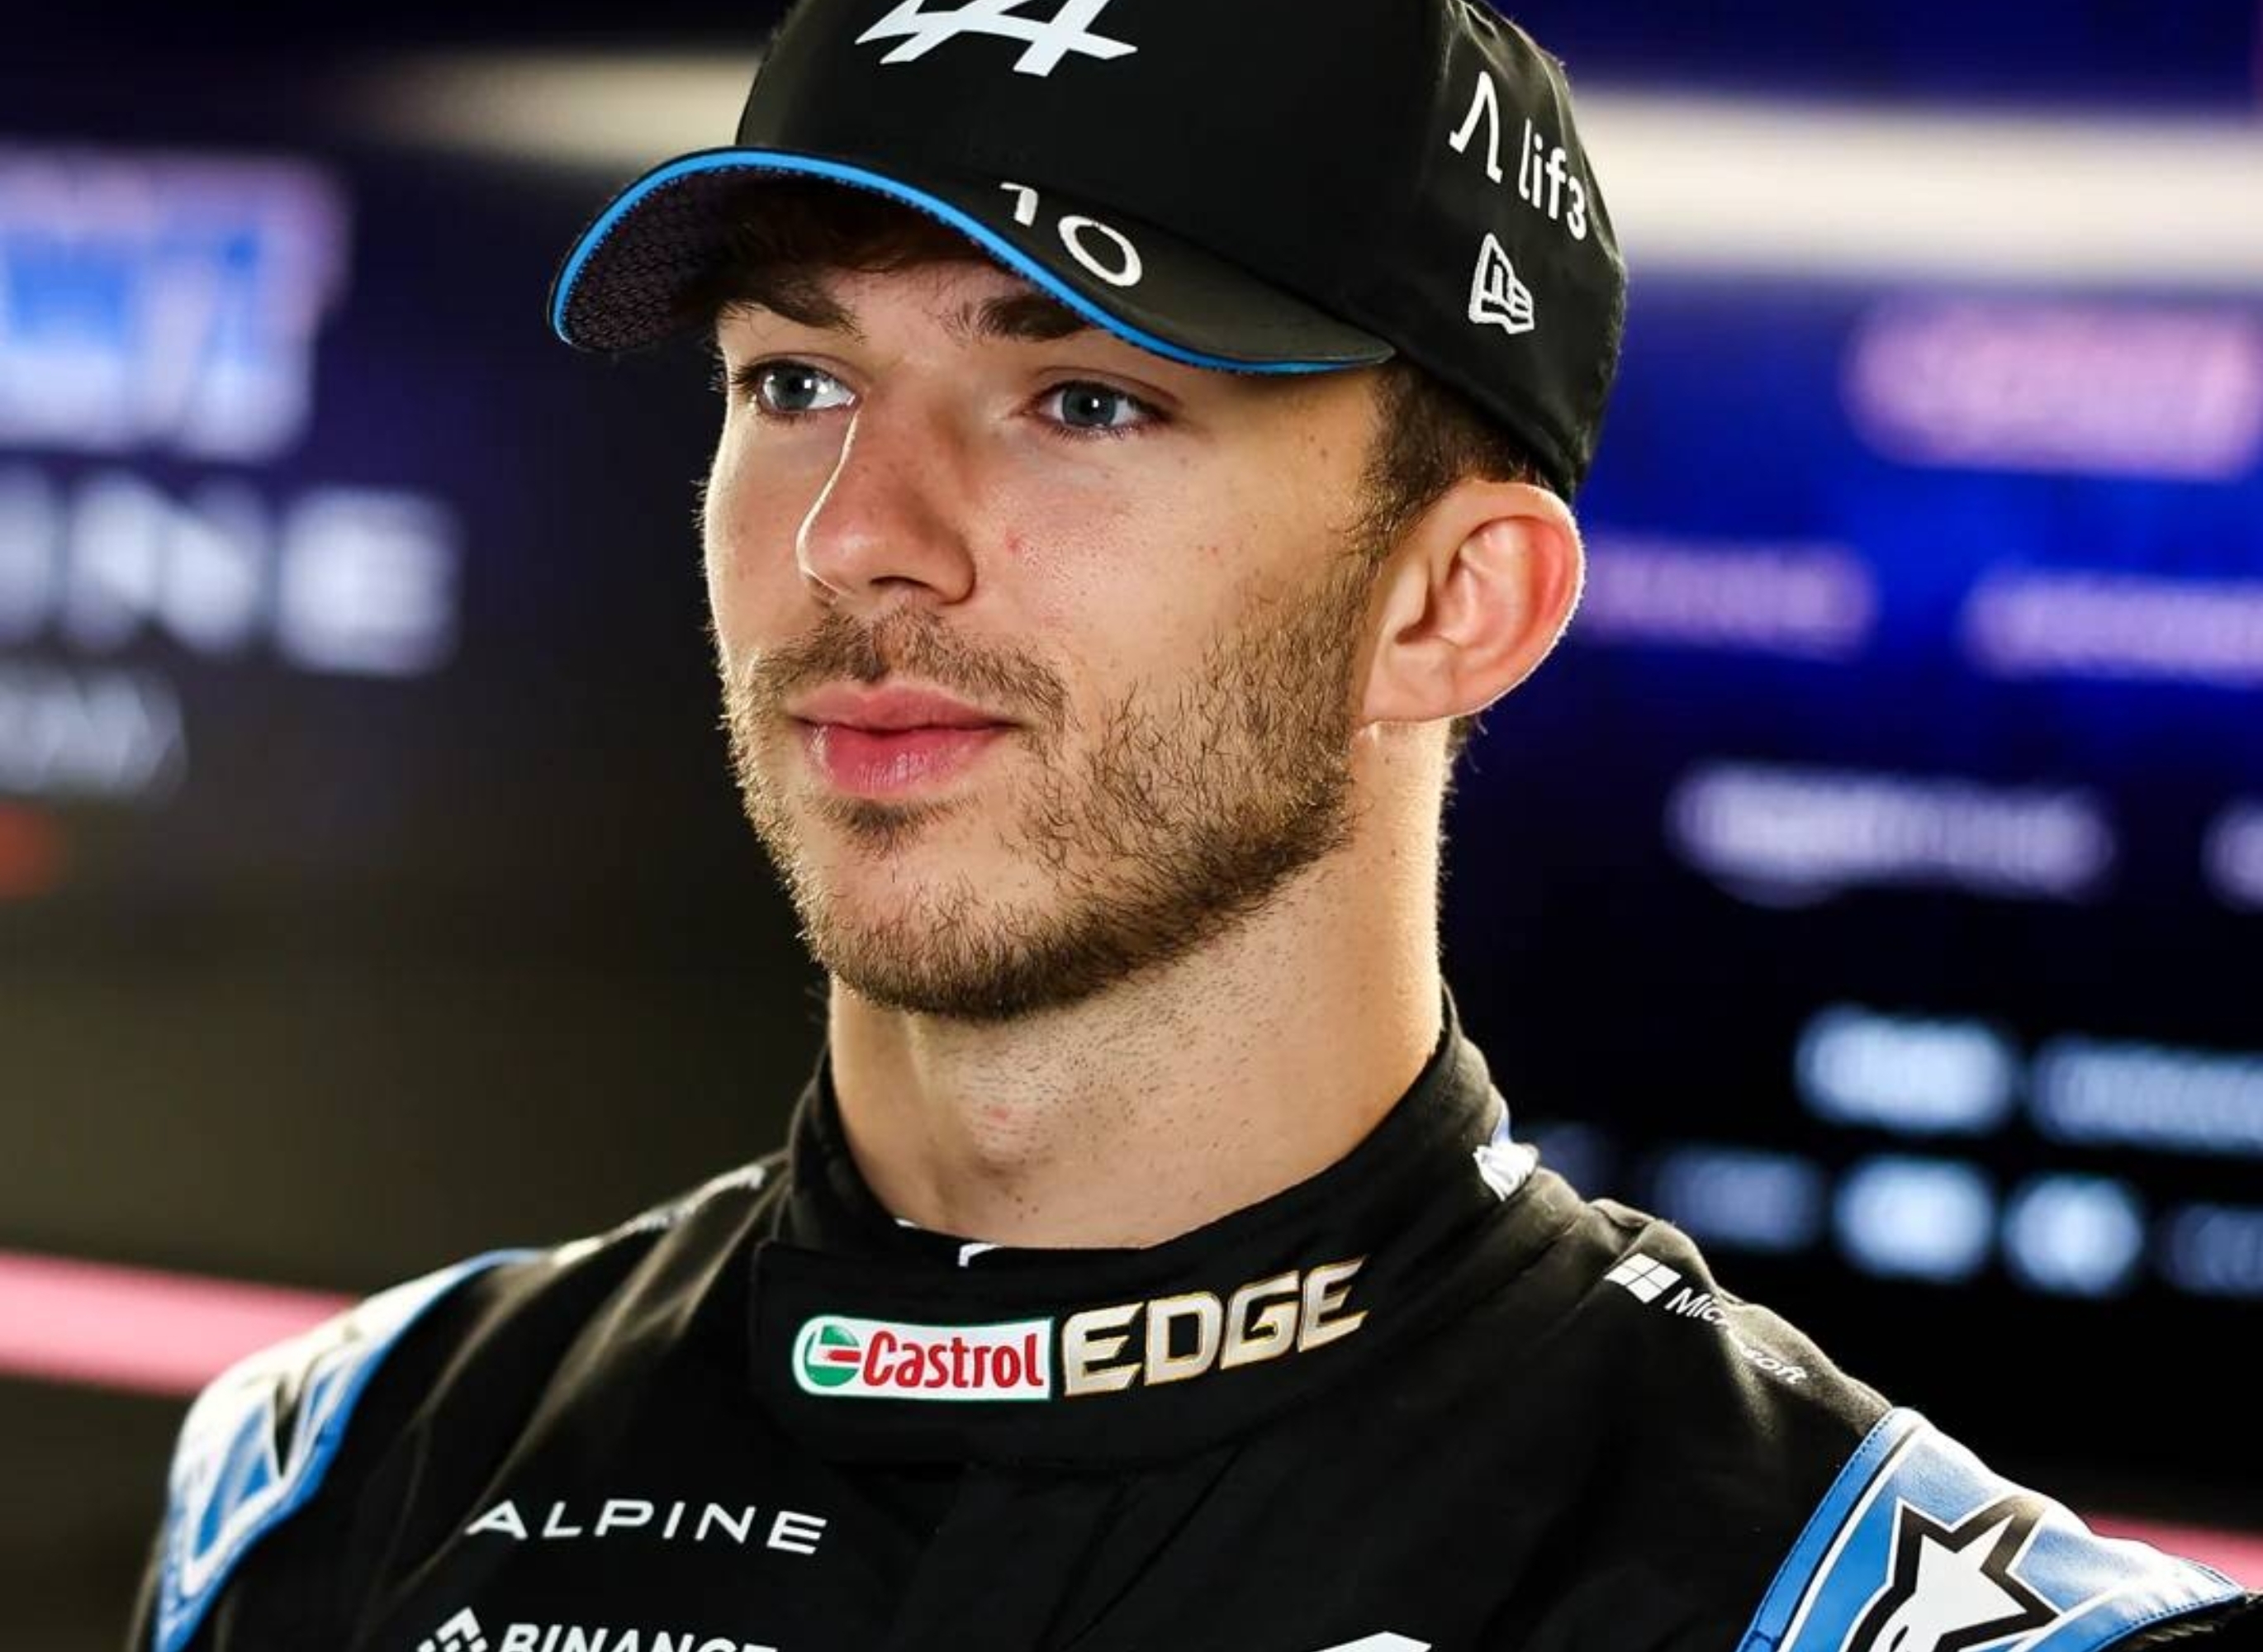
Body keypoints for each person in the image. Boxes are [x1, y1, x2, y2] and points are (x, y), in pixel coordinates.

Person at [131, 2, 2259, 1650]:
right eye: (795, 379)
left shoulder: (1855, 1603)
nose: (865, 536)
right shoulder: (332, 1479)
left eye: (1085, 399)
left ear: (1451, 602)